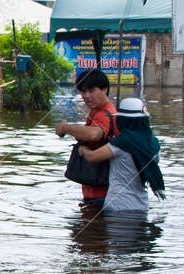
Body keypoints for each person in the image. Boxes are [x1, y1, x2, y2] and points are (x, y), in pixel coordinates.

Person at [77, 96, 163, 214]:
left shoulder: (122, 142)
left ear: (123, 120)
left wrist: (83, 150)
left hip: (118, 205)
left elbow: (92, 157)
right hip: (142, 206)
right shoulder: (154, 144)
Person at [55, 68, 119, 209]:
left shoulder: (105, 113)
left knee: (93, 230)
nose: (87, 96)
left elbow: (94, 134)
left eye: (91, 90)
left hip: (102, 194)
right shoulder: (97, 112)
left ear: (104, 89)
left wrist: (66, 128)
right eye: (83, 91)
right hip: (96, 189)